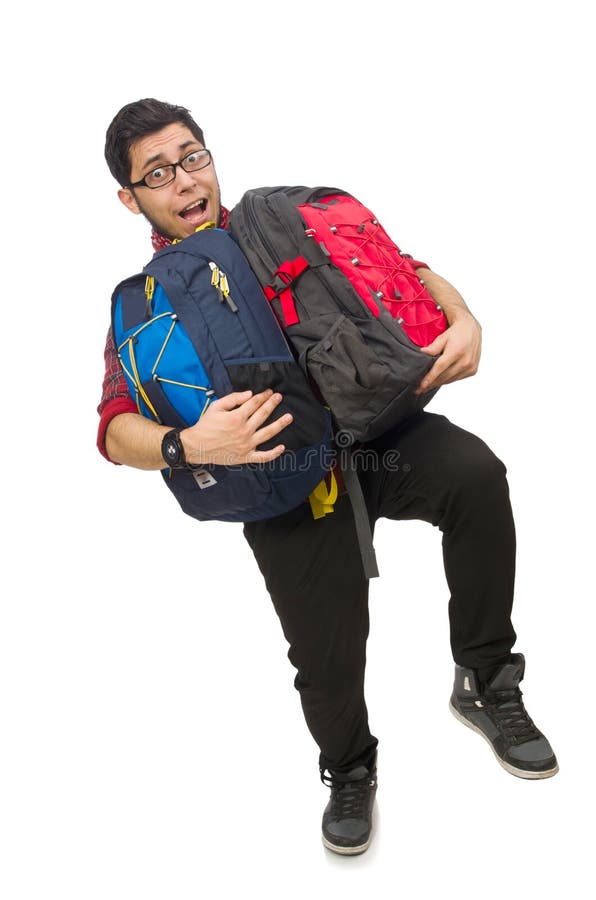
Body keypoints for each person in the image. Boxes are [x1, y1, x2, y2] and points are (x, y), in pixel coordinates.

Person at [98, 98, 558, 857]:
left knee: (476, 478)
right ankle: (349, 766)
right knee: (326, 657)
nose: (184, 181)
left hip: (380, 436)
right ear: (131, 198)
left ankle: (485, 679)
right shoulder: (149, 301)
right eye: (157, 174)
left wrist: (464, 317)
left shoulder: (280, 218)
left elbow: (406, 269)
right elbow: (115, 427)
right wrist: (187, 444)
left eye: (192, 157)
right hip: (283, 480)